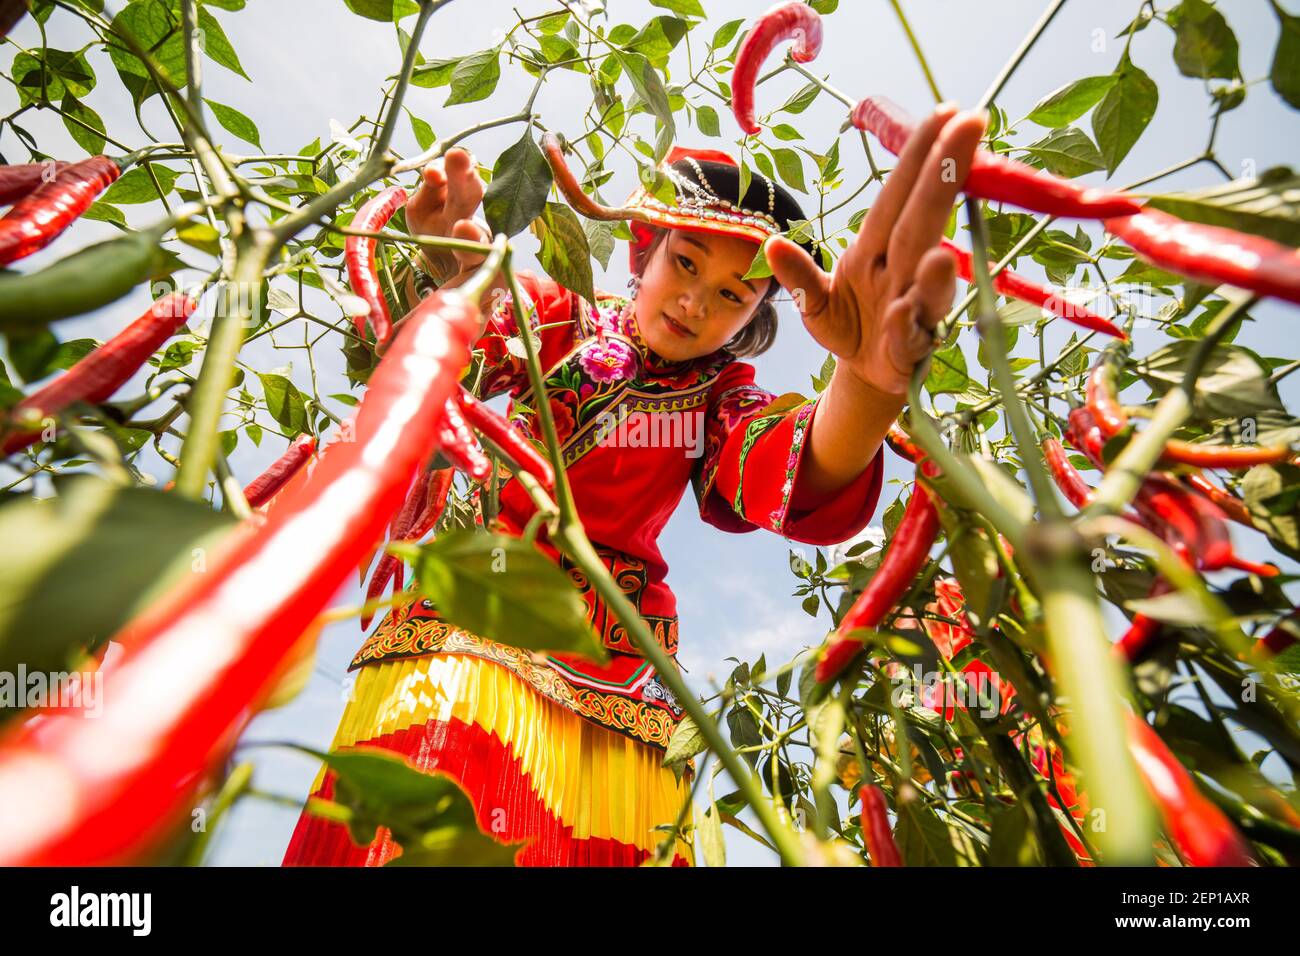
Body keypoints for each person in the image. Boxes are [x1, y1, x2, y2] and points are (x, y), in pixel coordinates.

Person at [281, 104, 987, 866]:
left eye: (732, 295)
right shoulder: (559, 318)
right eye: (687, 264)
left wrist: (868, 387)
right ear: (643, 252)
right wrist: (444, 279)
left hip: (625, 665)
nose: (696, 302)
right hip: (479, 613)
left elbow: (784, 461)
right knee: (433, 813)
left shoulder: (725, 396)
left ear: (754, 312)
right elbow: (451, 349)